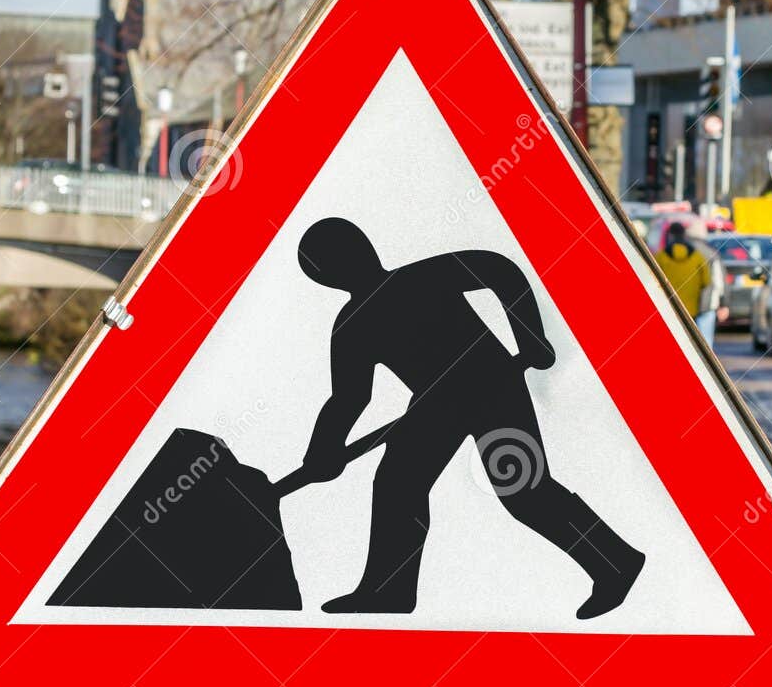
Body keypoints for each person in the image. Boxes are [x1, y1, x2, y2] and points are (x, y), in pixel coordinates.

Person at [297, 217, 646, 619]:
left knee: (524, 491)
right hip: (434, 404)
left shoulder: (420, 278)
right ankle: (388, 591)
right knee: (398, 485)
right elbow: (350, 397)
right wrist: (322, 450)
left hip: (492, 386)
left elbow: (500, 269)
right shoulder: (351, 326)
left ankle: (615, 561)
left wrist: (529, 335)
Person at [655, 221, 713, 321]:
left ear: (670, 235)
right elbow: (706, 281)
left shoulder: (660, 256)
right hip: (691, 310)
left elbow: (652, 280)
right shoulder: (697, 256)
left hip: (668, 307)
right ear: (684, 234)